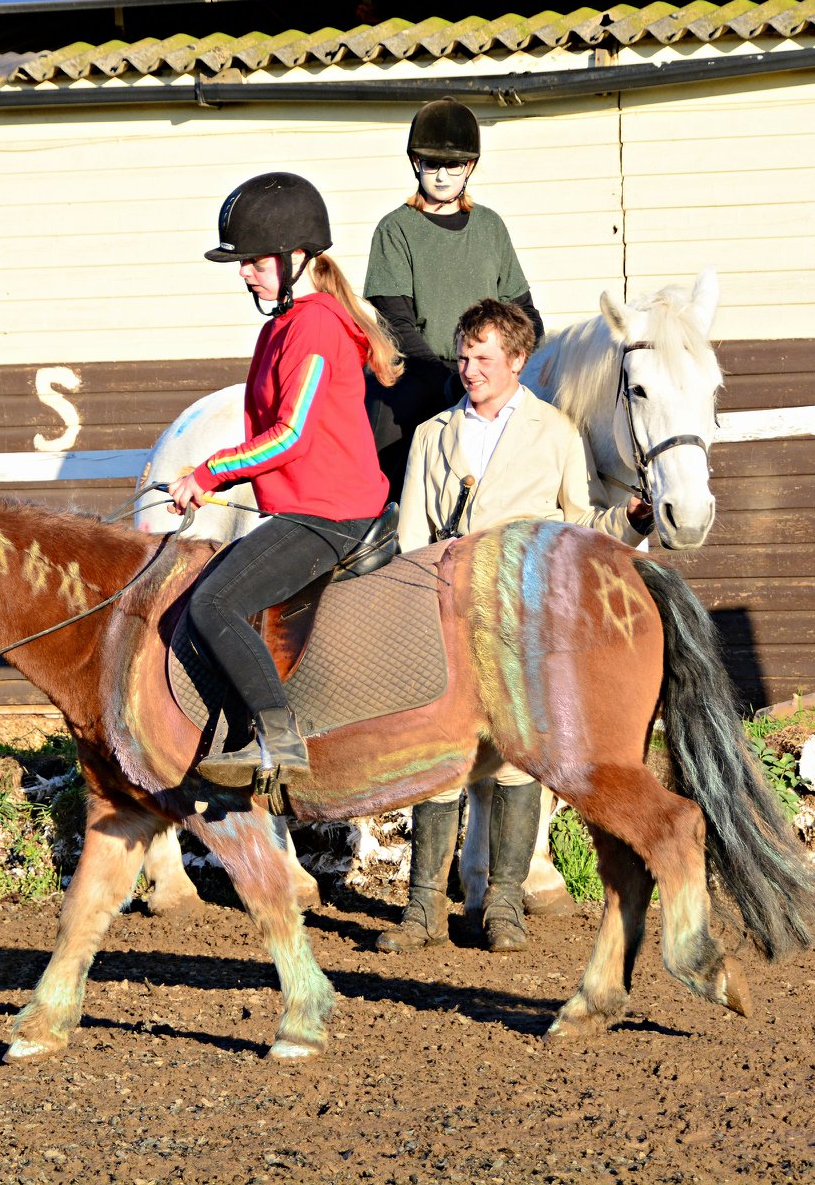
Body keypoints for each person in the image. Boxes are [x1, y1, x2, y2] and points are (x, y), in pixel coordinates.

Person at [379, 298, 652, 954]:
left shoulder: (556, 434)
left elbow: (582, 527)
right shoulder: (431, 435)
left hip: (526, 619)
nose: (469, 369)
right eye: (464, 357)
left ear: (518, 362)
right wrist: (421, 609)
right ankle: (421, 912)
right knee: (442, 759)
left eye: (482, 358)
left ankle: (502, 909)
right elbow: (412, 533)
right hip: (450, 614)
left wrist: (633, 524)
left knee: (514, 765)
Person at [167, 172, 401, 791]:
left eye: (252, 260)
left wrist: (208, 472)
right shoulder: (282, 325)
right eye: (241, 262)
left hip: (331, 515)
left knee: (214, 603)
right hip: (303, 509)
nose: (244, 272)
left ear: (296, 257)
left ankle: (279, 736)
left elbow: (290, 435)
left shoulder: (316, 326)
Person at [364, 97, 546, 499]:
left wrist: (512, 367)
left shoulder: (490, 227)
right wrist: (449, 379)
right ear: (417, 164)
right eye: (431, 164)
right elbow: (397, 323)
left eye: (453, 165)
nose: (442, 175)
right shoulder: (395, 229)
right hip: (417, 375)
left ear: (470, 167)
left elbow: (525, 314)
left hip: (485, 376)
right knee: (389, 466)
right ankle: (379, 526)